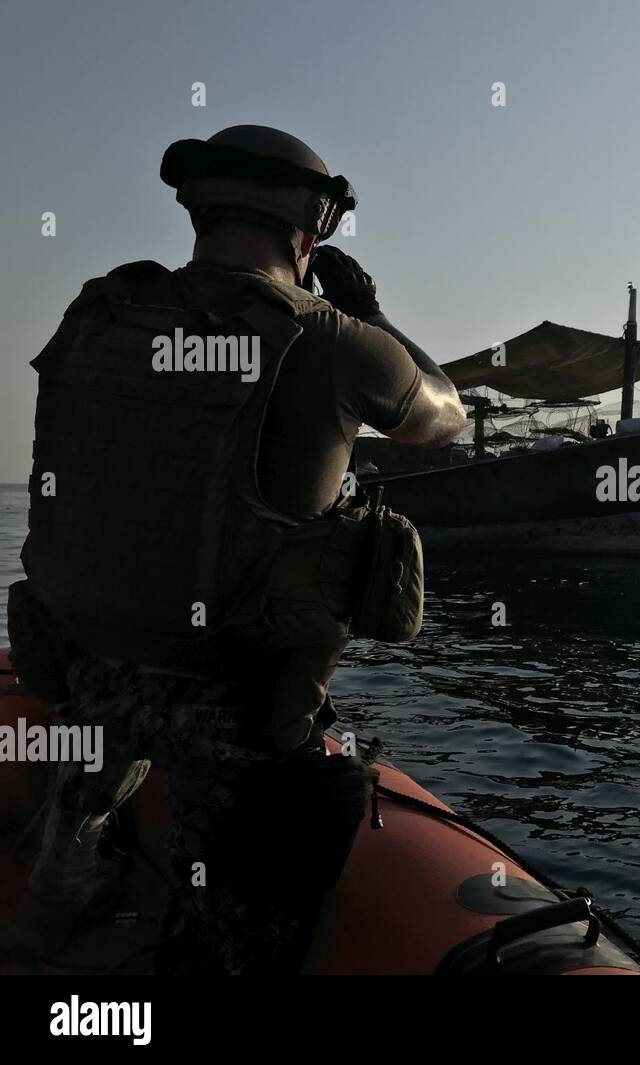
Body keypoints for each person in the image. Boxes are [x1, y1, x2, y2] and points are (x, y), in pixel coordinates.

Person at [2, 125, 466, 971]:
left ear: (201, 209)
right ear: (311, 227)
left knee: (94, 758)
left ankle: (50, 908)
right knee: (308, 820)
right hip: (238, 700)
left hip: (85, 669)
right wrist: (373, 314)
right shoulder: (330, 338)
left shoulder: (98, 311)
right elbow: (445, 415)